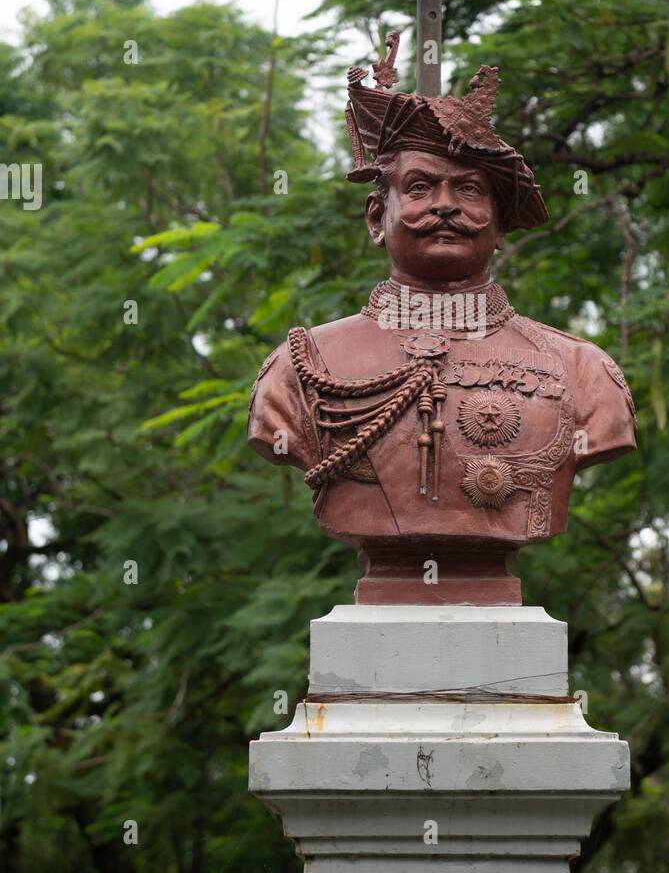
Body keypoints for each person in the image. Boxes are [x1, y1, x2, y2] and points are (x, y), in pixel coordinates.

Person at [248, 34, 636, 603]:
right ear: (378, 217)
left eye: (471, 190)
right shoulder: (300, 370)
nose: (446, 205)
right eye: (421, 187)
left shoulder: (582, 370)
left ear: (500, 225)